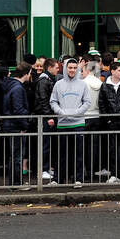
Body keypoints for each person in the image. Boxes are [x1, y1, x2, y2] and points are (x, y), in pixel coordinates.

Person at [51, 58, 93, 187]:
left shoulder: (82, 84)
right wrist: (60, 112)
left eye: (75, 68)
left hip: (78, 123)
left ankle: (77, 179)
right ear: (65, 68)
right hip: (62, 124)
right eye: (70, 68)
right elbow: (53, 101)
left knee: (78, 154)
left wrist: (77, 112)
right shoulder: (58, 84)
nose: (72, 70)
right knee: (61, 154)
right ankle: (58, 179)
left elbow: (87, 102)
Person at [3, 63, 33, 188]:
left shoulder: (10, 85)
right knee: (17, 156)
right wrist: (25, 126)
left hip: (11, 125)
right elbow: (18, 110)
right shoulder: (18, 88)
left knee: (15, 156)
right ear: (26, 73)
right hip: (16, 126)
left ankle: (15, 182)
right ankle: (16, 183)